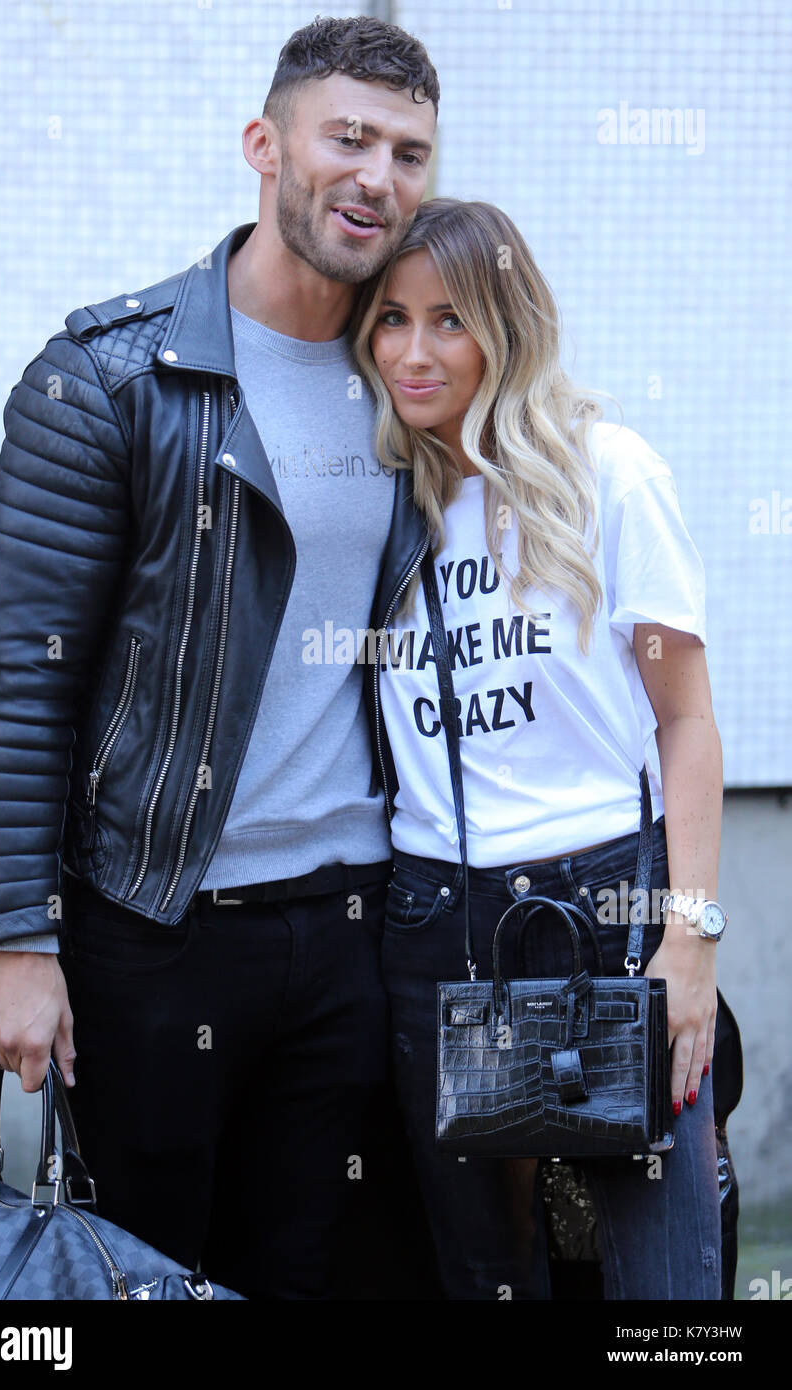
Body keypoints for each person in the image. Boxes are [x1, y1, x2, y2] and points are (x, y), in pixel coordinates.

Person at [0, 16, 442, 1300]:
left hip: (353, 921)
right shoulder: (109, 381)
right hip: (155, 928)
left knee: (310, 1269)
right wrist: (20, 936)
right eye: (348, 136)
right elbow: (23, 676)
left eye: (408, 152)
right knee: (145, 1274)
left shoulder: (412, 379)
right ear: (264, 145)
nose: (376, 177)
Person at [353, 197, 728, 1300]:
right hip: (434, 913)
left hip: (607, 904)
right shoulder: (383, 502)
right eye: (390, 319)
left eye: (449, 320)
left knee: (660, 1278)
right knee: (485, 1274)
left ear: (506, 324)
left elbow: (688, 719)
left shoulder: (606, 472)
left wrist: (691, 937)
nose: (414, 353)